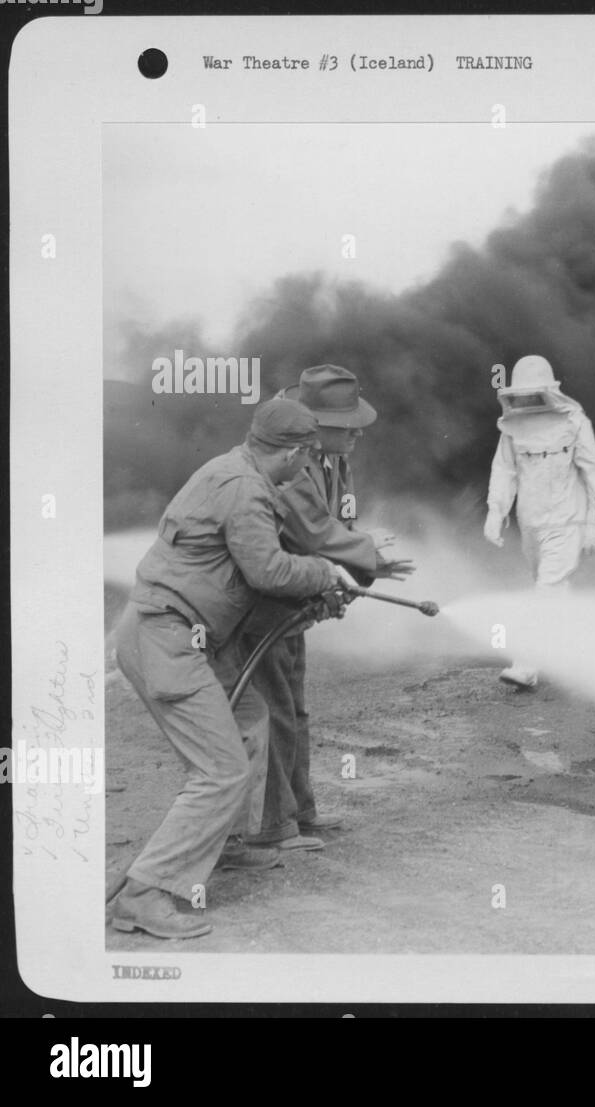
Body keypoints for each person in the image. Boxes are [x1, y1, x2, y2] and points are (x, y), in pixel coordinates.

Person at [111, 399, 355, 940]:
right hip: (167, 639)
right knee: (220, 771)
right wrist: (323, 571)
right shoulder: (245, 491)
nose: (307, 466)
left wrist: (310, 600)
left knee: (249, 718)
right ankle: (144, 893)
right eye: (306, 455)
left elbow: (239, 583)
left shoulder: (232, 469)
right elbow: (267, 570)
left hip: (178, 633)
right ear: (292, 453)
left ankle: (220, 845)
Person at [236, 365, 412, 853]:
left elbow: (334, 521)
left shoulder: (332, 458)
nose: (358, 430)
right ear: (313, 424)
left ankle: (299, 812)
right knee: (273, 711)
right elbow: (312, 531)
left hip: (292, 601)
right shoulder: (291, 465)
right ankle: (272, 827)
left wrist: (360, 550)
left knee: (294, 709)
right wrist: (368, 555)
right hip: (265, 604)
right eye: (346, 422)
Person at [483, 355, 595, 688]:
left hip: (567, 522)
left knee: (546, 589)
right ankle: (573, 655)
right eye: (520, 394)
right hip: (531, 526)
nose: (525, 401)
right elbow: (504, 471)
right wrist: (495, 513)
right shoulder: (511, 429)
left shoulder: (574, 422)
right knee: (552, 590)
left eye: (531, 393)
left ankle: (526, 665)